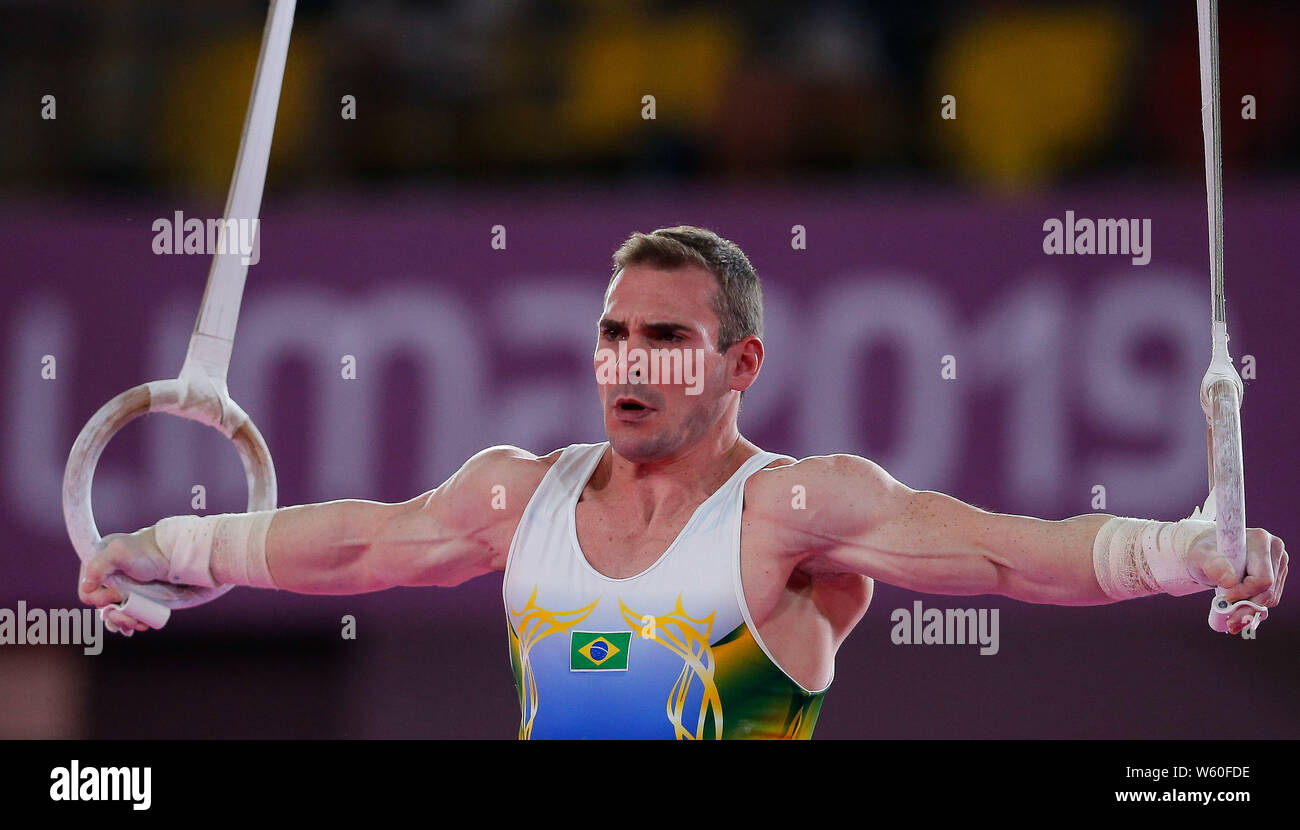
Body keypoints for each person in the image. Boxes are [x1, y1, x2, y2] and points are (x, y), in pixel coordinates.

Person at [77, 226, 1288, 739]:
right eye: (612, 333)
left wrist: (1181, 550)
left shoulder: (793, 511)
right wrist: (169, 548)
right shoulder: (519, 492)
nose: (626, 363)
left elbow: (1006, 555)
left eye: (664, 336)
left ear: (739, 362)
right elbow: (363, 546)